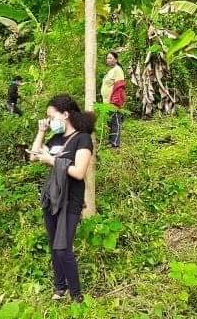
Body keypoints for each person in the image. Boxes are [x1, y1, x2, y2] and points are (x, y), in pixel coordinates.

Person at [27, 95, 95, 303]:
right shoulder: (56, 139)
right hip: (52, 198)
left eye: (51, 116)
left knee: (63, 247)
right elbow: (33, 156)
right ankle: (59, 287)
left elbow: (78, 172)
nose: (48, 120)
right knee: (53, 244)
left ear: (65, 115)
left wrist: (52, 160)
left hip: (70, 200)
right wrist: (41, 131)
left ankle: (76, 294)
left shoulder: (82, 139)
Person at [101, 52, 125, 148]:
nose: (108, 60)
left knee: (115, 121)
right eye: (107, 58)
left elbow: (120, 86)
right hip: (106, 102)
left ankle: (115, 143)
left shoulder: (118, 70)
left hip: (113, 101)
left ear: (116, 59)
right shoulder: (110, 71)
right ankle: (110, 141)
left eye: (111, 58)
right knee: (109, 122)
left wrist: (115, 100)